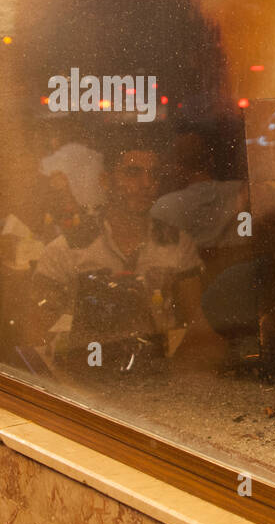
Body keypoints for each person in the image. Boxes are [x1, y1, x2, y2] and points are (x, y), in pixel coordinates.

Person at [30, 133, 223, 369]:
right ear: (105, 181)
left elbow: (198, 325)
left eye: (153, 174)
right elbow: (35, 335)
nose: (146, 184)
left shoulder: (176, 243)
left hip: (157, 369)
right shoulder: (67, 248)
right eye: (132, 173)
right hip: (88, 371)